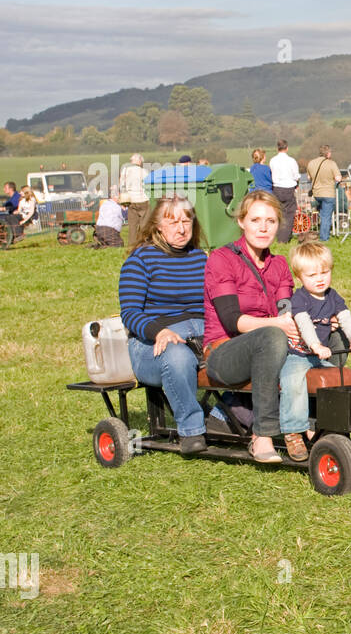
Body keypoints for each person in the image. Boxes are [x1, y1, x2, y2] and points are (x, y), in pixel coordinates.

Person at [203, 190, 296, 463]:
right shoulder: (222, 259)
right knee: (271, 336)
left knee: (330, 333)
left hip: (270, 343)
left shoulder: (279, 265)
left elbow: (285, 310)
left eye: (271, 220)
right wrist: (278, 324)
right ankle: (263, 435)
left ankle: (316, 425)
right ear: (242, 222)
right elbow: (233, 320)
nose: (264, 227)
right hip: (224, 352)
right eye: (256, 220)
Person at [119, 195, 209, 453]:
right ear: (157, 225)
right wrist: (159, 330)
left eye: (186, 221)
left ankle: (227, 419)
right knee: (177, 357)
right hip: (152, 343)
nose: (181, 228)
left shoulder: (200, 259)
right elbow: (130, 312)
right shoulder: (141, 260)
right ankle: (192, 431)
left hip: (202, 336)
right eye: (173, 222)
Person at [279, 241, 351, 461]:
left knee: (336, 379)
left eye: (324, 272)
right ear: (300, 278)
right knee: (293, 382)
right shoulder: (300, 298)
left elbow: (346, 317)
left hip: (318, 357)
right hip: (298, 355)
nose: (319, 279)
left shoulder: (332, 296)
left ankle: (330, 427)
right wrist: (316, 345)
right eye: (312, 275)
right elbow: (304, 322)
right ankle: (292, 432)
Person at [306, 145, 342, 243]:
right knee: (326, 217)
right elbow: (338, 178)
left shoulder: (311, 163)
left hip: (316, 193)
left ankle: (320, 233)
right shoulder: (331, 163)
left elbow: (309, 178)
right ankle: (324, 238)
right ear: (328, 153)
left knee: (322, 215)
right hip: (328, 193)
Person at [269, 139, 300, 243]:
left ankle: (277, 236)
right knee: (289, 214)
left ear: (277, 148)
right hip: (288, 188)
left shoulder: (273, 160)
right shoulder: (291, 161)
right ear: (287, 148)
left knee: (278, 213)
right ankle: (284, 239)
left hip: (276, 188)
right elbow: (296, 176)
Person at [120, 154, 148, 247]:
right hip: (143, 200)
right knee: (144, 224)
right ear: (139, 161)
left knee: (132, 225)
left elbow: (122, 185)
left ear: (131, 161)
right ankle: (144, 244)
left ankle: (132, 245)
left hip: (130, 200)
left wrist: (123, 202)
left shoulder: (125, 171)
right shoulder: (144, 171)